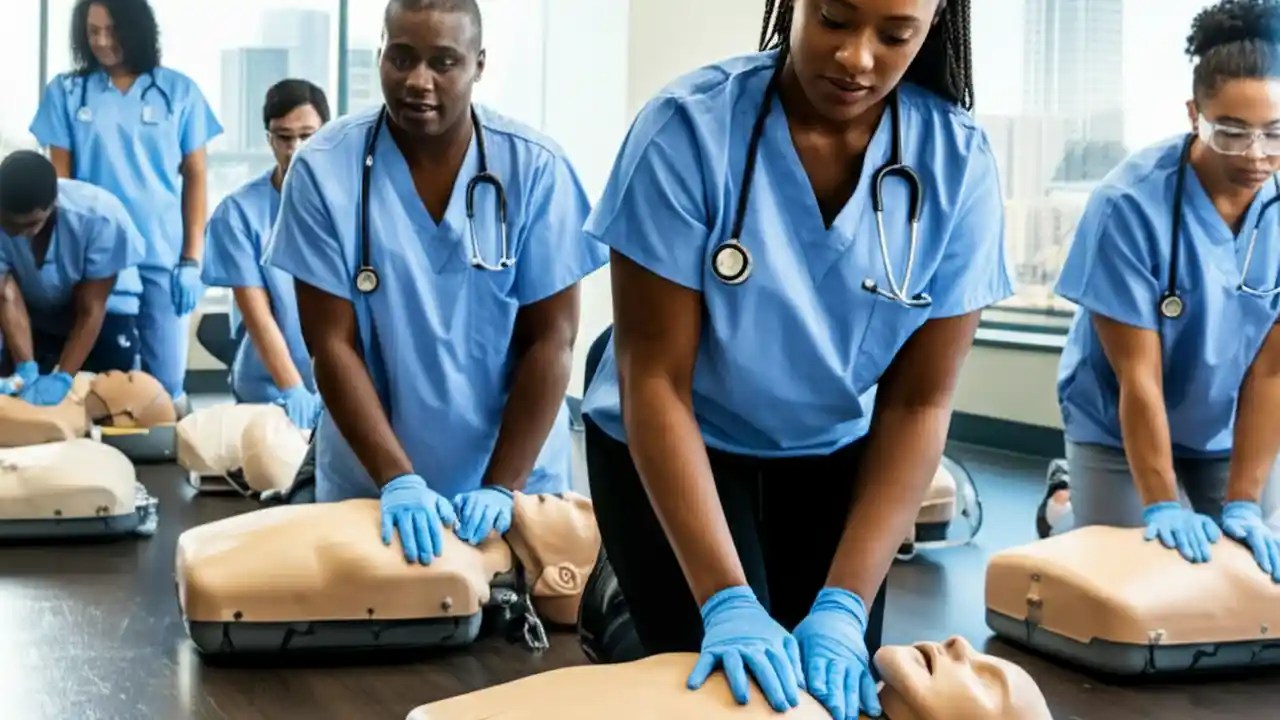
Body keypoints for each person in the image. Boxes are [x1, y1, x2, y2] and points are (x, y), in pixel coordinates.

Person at [579, 1, 1009, 718]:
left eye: (894, 35)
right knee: (724, 692)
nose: (856, 59)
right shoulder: (687, 129)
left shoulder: (957, 165)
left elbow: (918, 403)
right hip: (678, 430)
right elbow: (654, 381)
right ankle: (620, 605)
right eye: (835, 20)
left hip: (831, 443)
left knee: (824, 694)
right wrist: (724, 600)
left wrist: (843, 605)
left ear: (930, 29)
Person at [264, 0, 606, 563]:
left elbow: (553, 342)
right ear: (379, 54)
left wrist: (502, 486)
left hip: (513, 476)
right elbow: (331, 344)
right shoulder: (324, 169)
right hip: (372, 482)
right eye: (400, 58)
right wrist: (397, 480)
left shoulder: (535, 169)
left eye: (443, 62)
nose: (418, 81)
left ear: (479, 65)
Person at [1055, 0, 1280, 584]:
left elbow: (1271, 372)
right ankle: (1064, 506)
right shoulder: (1127, 204)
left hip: (1224, 425)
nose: (1256, 155)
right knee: (1139, 577)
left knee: (1245, 577)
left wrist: (1244, 500)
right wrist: (1160, 500)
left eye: (1275, 133)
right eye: (1230, 132)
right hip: (1115, 423)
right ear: (1194, 114)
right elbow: (1139, 377)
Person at [29, 0, 223, 411]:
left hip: (161, 250)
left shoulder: (178, 92)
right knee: (102, 379)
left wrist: (191, 257)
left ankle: (160, 465)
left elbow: (197, 176)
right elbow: (60, 185)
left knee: (165, 384)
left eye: (112, 30)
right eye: (92, 30)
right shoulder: (67, 92)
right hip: (96, 255)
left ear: (136, 29)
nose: (101, 41)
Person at [202, 79, 330, 429]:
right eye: (283, 137)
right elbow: (259, 317)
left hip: (343, 386)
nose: (295, 148)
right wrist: (293, 389)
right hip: (269, 389)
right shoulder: (239, 213)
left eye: (307, 135)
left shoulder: (352, 205)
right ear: (268, 139)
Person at [0, 151, 146, 405]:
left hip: (102, 309)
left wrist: (64, 376)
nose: (19, 234)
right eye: (10, 225)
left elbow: (91, 307)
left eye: (30, 224)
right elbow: (5, 293)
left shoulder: (101, 217)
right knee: (16, 388)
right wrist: (25, 368)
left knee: (108, 391)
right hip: (32, 303)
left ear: (52, 205)